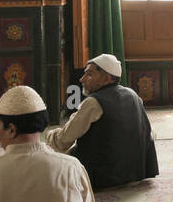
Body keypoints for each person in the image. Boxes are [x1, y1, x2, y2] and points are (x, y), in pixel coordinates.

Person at [45, 53, 159, 191]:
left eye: (90, 74)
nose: (82, 79)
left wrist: (49, 135)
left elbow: (63, 140)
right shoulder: (133, 95)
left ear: (107, 78)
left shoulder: (94, 102)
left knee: (48, 159)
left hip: (104, 178)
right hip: (137, 173)